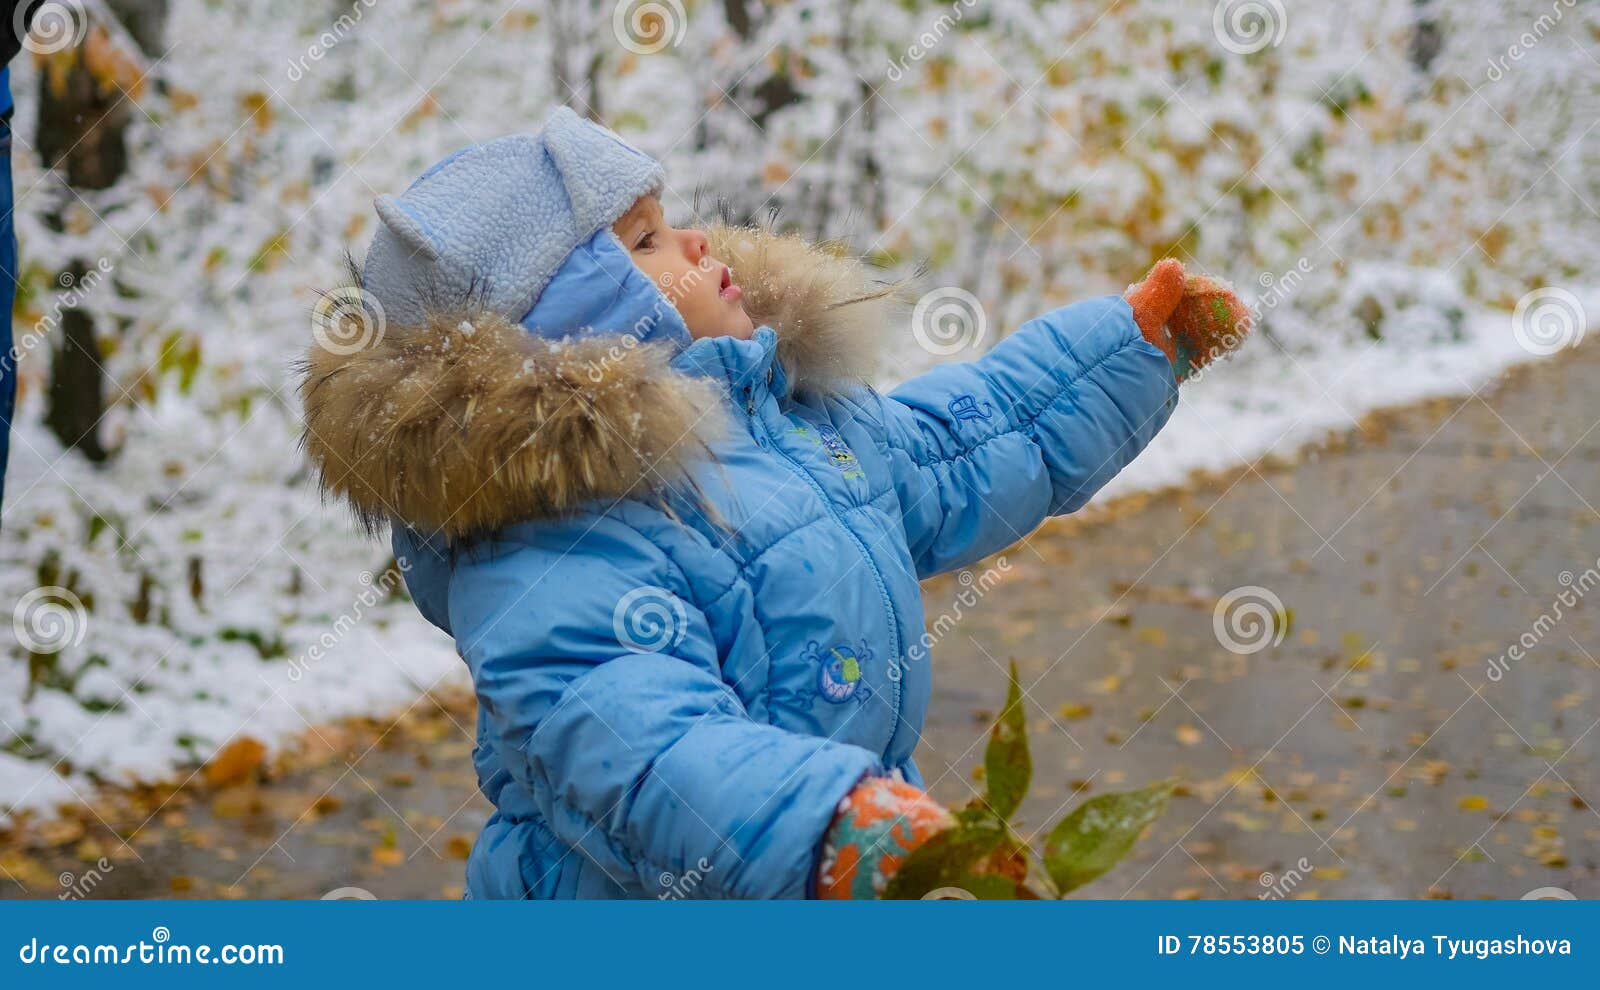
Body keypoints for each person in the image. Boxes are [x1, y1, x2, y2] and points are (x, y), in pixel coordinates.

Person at [299, 106, 1247, 898]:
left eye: (669, 218)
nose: (696, 239)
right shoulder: (550, 547)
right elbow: (643, 746)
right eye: (645, 241)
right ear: (569, 324)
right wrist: (829, 824)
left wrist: (1128, 347)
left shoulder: (786, 424)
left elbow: (965, 442)